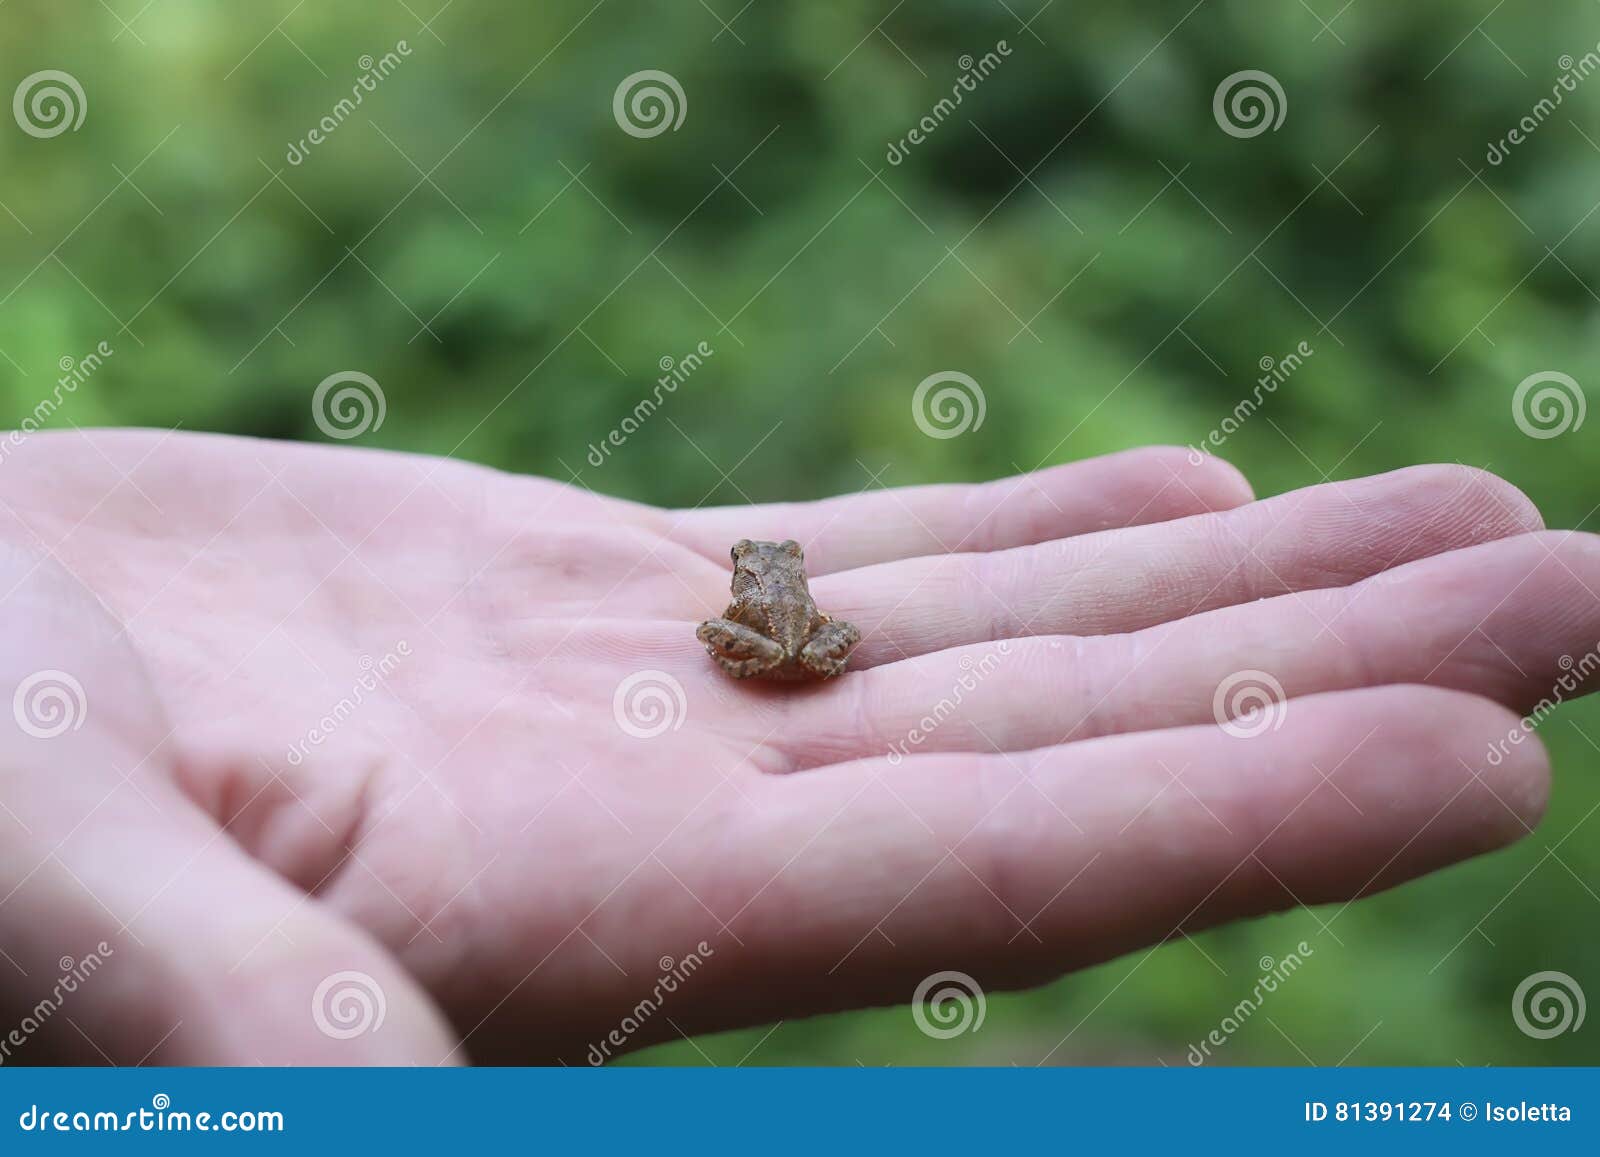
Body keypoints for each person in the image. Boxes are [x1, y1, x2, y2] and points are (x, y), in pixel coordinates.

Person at [0, 431, 1584, 1064]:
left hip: (769, 652)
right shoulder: (764, 600)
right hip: (774, 653)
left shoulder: (755, 599)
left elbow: (758, 625)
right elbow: (767, 626)